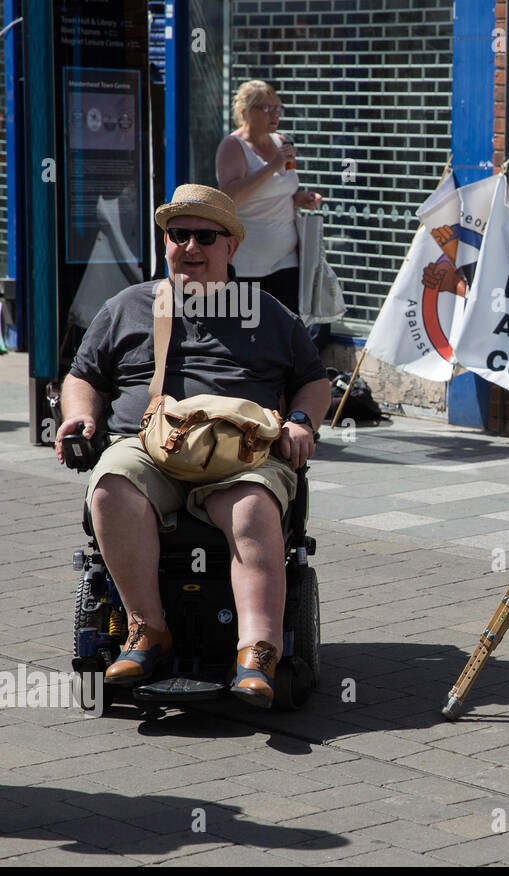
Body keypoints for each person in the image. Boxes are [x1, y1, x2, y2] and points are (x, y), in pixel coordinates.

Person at [55, 184, 330, 707]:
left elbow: (314, 380)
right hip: (149, 448)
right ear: (165, 243)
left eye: (206, 235)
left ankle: (256, 651)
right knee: (111, 483)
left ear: (231, 246)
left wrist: (300, 421)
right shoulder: (128, 307)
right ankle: (146, 631)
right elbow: (82, 375)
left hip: (240, 453)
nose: (190, 246)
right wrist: (80, 417)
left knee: (252, 507)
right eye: (178, 234)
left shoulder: (268, 312)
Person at [215, 80, 327, 349]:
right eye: (266, 108)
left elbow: (282, 188)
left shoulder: (283, 142)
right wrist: (272, 165)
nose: (275, 114)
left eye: (278, 108)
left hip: (286, 258)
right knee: (250, 337)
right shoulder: (232, 146)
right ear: (244, 111)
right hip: (247, 262)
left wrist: (299, 198)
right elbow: (230, 197)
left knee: (287, 333)